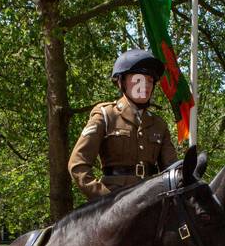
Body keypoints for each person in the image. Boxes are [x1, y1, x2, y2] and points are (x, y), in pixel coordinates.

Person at [69, 49, 177, 203]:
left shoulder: (159, 124)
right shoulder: (105, 115)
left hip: (150, 201)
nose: (145, 85)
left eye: (150, 81)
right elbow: (78, 165)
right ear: (121, 81)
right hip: (112, 200)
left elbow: (171, 169)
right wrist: (105, 200)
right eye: (138, 79)